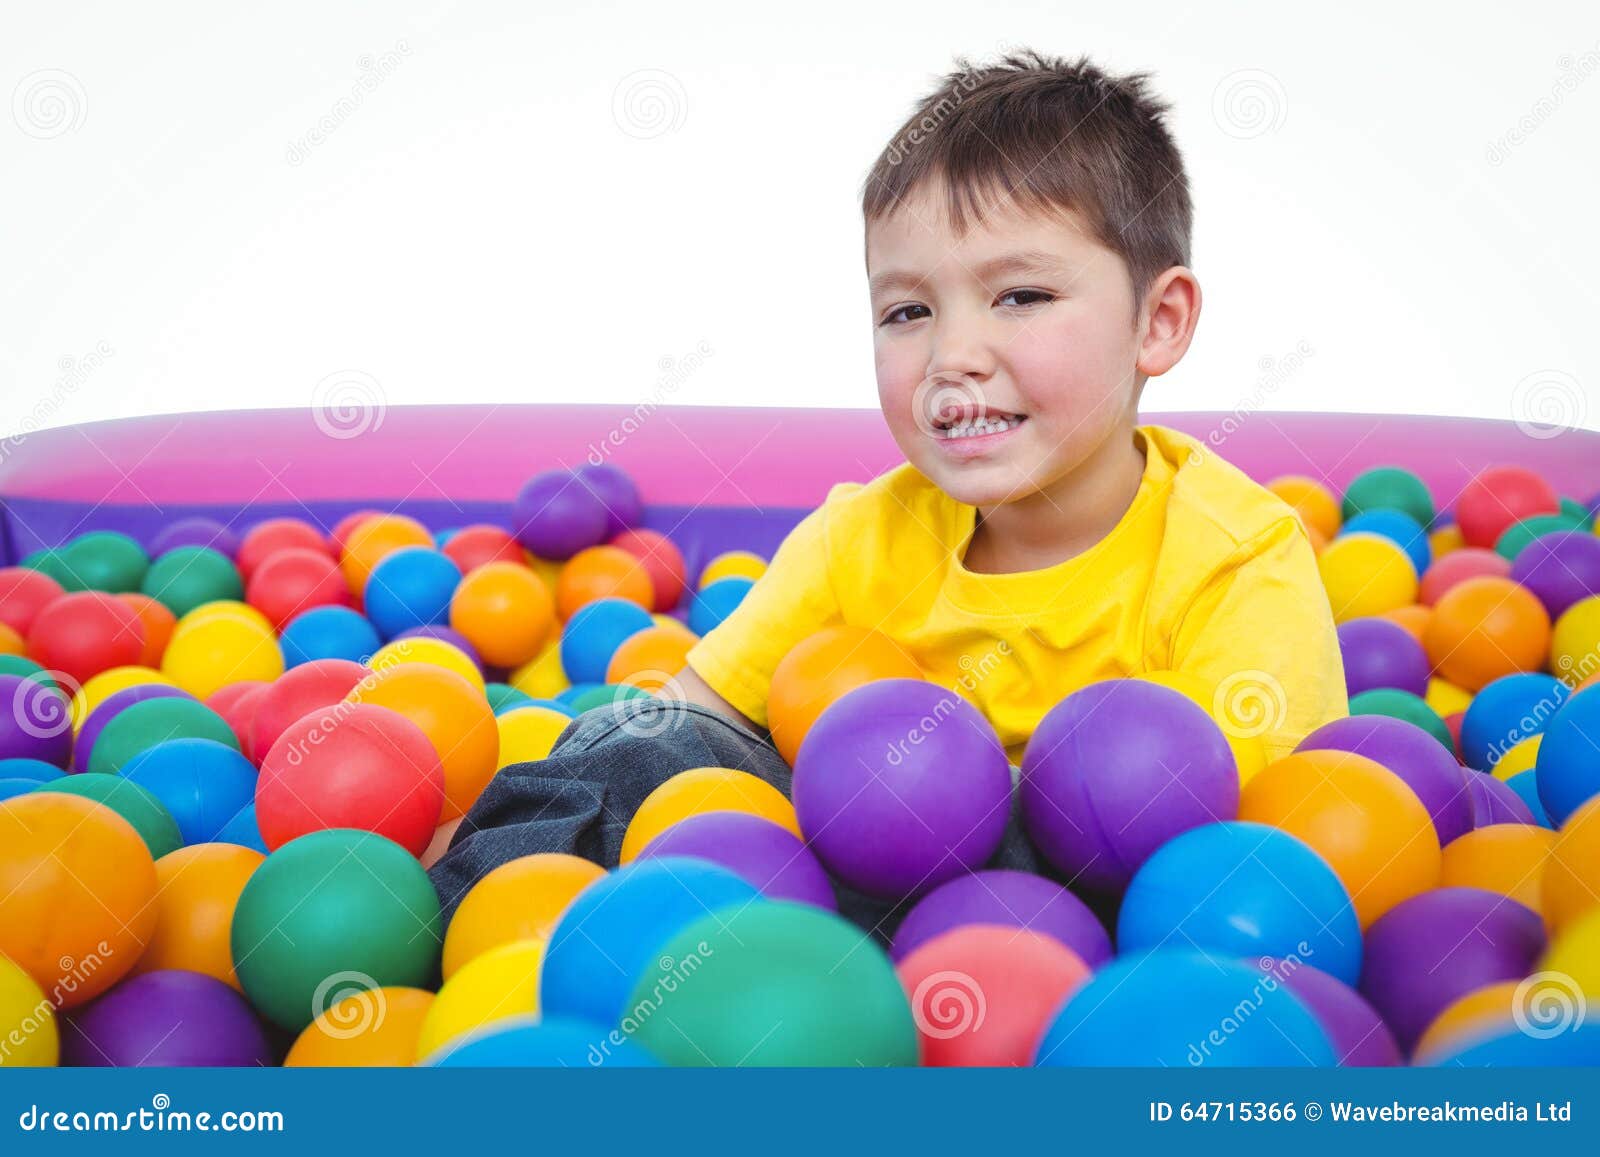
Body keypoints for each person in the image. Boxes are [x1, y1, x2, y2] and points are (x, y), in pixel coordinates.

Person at [428, 48, 1347, 939]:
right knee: (636, 741)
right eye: (908, 311)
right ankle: (454, 924)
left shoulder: (1238, 556)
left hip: (1073, 916)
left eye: (1020, 296)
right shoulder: (860, 535)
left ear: (1159, 321)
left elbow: (1261, 839)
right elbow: (692, 713)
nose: (952, 356)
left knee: (1095, 841)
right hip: (827, 876)